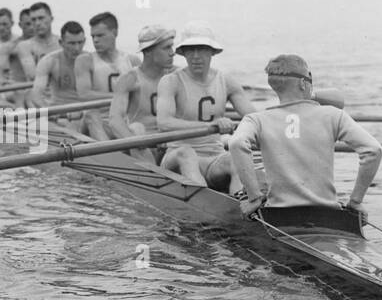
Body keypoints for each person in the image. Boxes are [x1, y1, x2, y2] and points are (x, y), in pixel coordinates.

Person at [228, 54, 382, 218]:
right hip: (327, 215)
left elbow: (236, 143)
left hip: (279, 215)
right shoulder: (334, 115)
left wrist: (254, 197)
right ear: (303, 83)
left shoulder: (256, 119)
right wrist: (356, 202)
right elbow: (373, 150)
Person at [156, 22, 256, 189]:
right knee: (186, 153)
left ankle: (243, 206)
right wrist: (210, 125)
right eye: (190, 49)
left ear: (212, 52)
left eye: (201, 49)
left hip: (213, 157)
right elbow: (164, 122)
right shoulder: (171, 81)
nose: (196, 56)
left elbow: (253, 118)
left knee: (236, 158)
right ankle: (204, 203)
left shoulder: (226, 81)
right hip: (177, 157)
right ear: (184, 53)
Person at [107, 25, 176, 153]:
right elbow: (115, 121)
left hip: (170, 143)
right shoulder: (130, 79)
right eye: (166, 48)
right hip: (143, 143)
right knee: (136, 128)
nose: (172, 52)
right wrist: (136, 143)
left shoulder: (176, 76)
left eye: (172, 47)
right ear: (148, 51)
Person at [75, 11, 140, 137]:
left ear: (114, 33)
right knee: (91, 116)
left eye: (100, 35)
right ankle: (109, 153)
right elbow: (84, 95)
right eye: (93, 36)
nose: (95, 40)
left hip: (123, 120)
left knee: (137, 126)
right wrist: (120, 95)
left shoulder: (132, 61)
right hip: (97, 120)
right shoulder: (84, 60)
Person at [29, 21, 88, 107]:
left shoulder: (91, 60)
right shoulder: (49, 61)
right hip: (59, 112)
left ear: (84, 41)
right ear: (61, 42)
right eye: (72, 43)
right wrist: (49, 112)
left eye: (80, 42)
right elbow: (36, 95)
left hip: (86, 111)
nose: (76, 48)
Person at [10, 2, 58, 84]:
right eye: (33, 20)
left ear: (51, 19)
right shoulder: (24, 46)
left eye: (41, 18)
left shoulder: (62, 42)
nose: (37, 23)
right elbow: (33, 76)